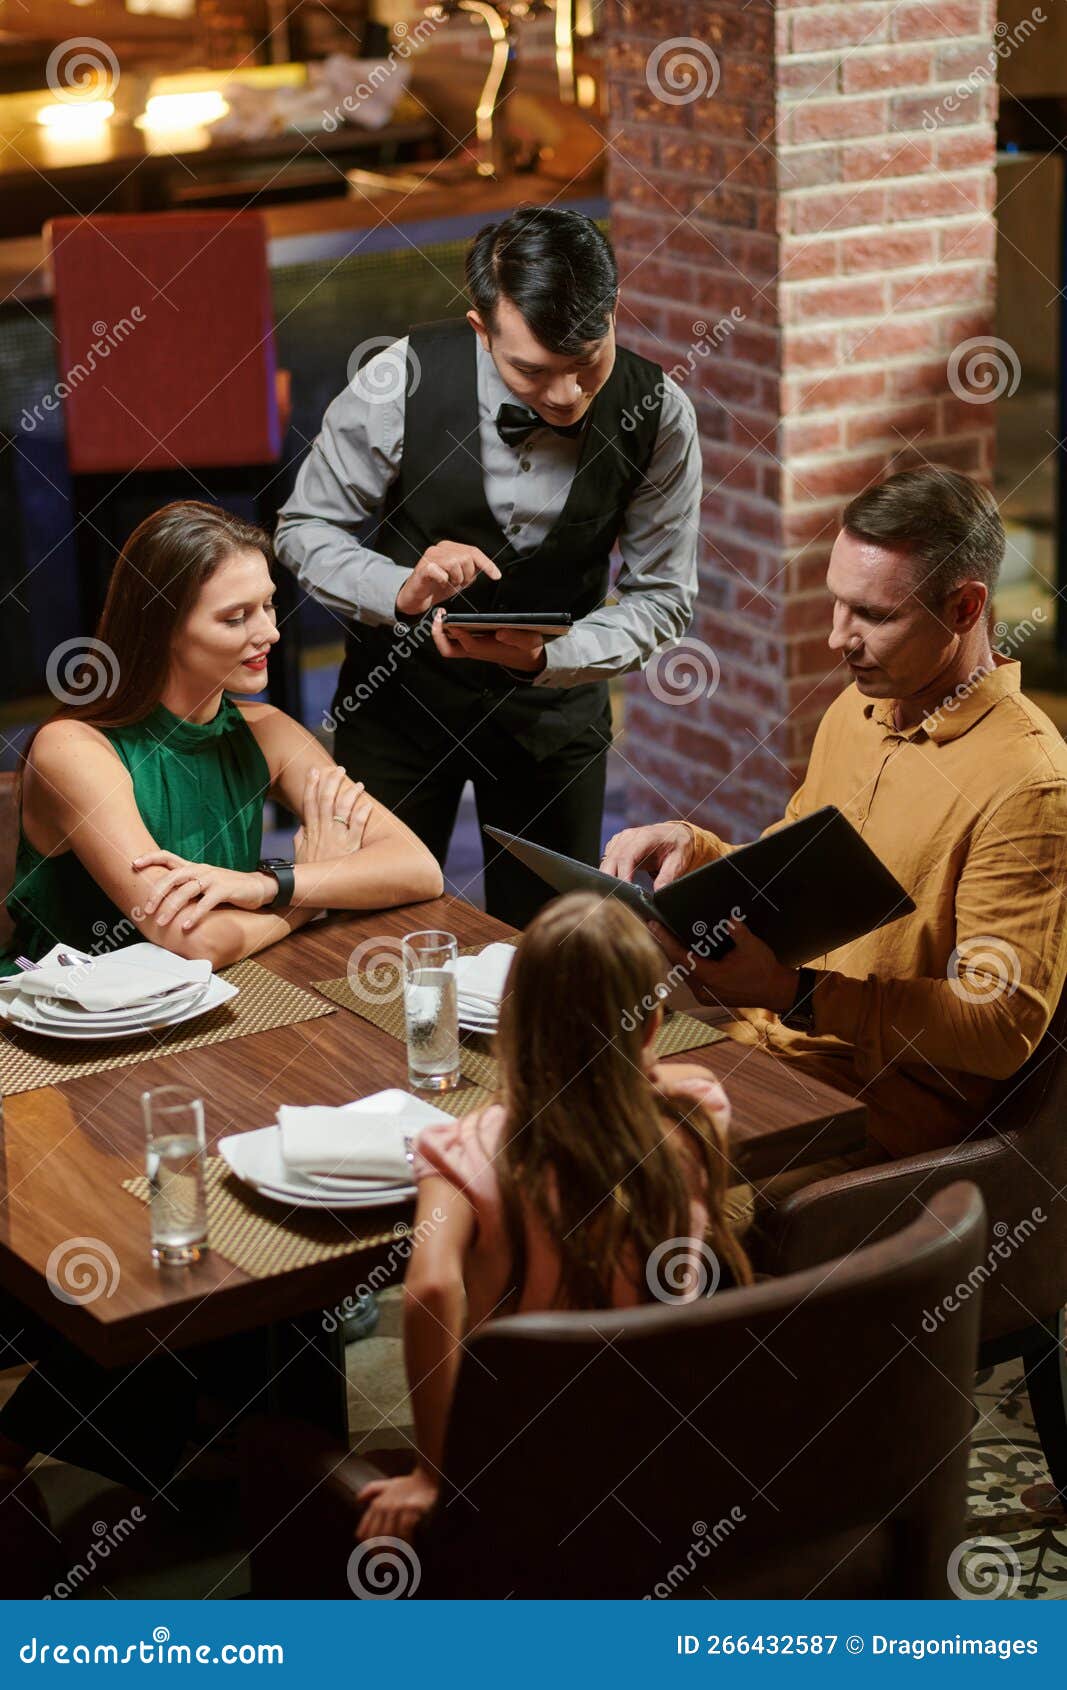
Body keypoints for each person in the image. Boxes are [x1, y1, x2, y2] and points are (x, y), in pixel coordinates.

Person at [602, 465, 1067, 1180]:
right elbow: (793, 877)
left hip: (877, 1112)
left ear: (965, 607)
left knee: (634, 1177)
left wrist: (794, 995)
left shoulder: (1029, 784)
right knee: (566, 1108)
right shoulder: (858, 708)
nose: (835, 638)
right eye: (836, 603)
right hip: (771, 1046)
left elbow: (999, 1027)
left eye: (873, 616)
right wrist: (699, 853)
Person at [275, 206, 702, 927]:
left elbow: (661, 596)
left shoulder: (659, 414)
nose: (566, 396)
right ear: (482, 328)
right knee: (369, 934)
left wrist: (552, 656)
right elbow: (304, 527)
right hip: (396, 707)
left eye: (586, 361)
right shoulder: (398, 379)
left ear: (613, 311)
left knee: (550, 947)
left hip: (553, 724)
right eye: (533, 370)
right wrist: (398, 588)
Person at [354, 892, 750, 1544]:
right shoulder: (697, 1114)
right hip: (657, 1458)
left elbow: (428, 1288)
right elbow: (652, 1082)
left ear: (507, 1024)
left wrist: (432, 1472)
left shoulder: (462, 1153)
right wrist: (623, 1058)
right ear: (651, 1027)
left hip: (518, 1477)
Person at [1, 499, 443, 976]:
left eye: (268, 605)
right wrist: (307, 899)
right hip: (70, 1010)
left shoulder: (268, 731)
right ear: (162, 627)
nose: (270, 632)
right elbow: (194, 940)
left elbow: (418, 868)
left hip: (216, 991)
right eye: (236, 618)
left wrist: (269, 885)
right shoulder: (72, 750)